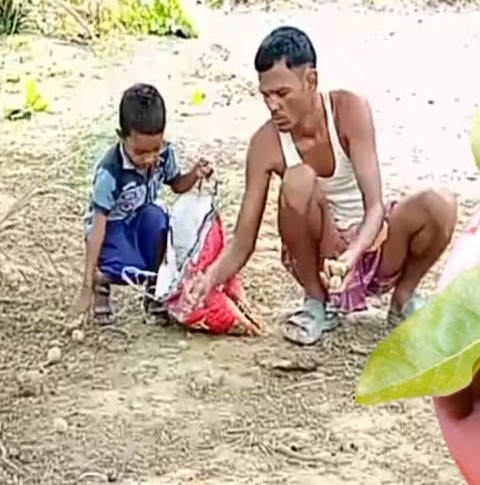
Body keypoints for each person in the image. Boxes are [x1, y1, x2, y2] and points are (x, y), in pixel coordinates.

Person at [184, 25, 458, 346]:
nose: (273, 106)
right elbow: (244, 241)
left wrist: (351, 256)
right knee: (298, 179)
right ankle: (316, 304)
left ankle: (403, 300)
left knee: (441, 202)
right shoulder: (265, 145)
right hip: (318, 257)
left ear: (311, 81)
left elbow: (375, 207)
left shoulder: (349, 110)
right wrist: (209, 279)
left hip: (372, 244)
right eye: (266, 96)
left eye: (282, 94)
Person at [77, 83, 215, 327]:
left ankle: (155, 293)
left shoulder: (164, 155)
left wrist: (195, 174)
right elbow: (97, 227)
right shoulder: (110, 171)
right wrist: (86, 285)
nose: (150, 158)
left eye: (155, 149)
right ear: (122, 137)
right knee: (128, 269)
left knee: (159, 218)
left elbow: (177, 184)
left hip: (141, 221)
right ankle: (101, 282)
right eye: (140, 152)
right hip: (113, 227)